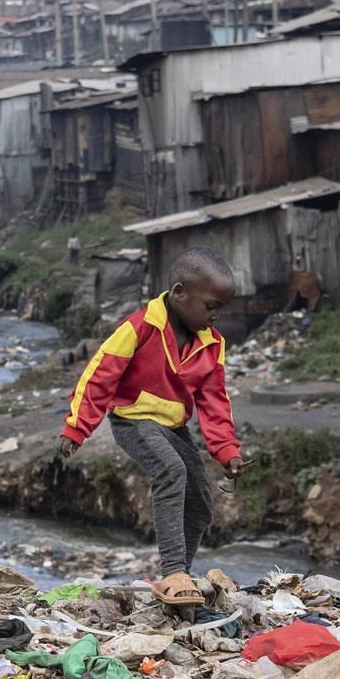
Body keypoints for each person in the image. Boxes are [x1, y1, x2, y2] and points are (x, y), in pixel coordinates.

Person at [58, 247, 243, 608]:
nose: (216, 316)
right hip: (133, 418)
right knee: (171, 471)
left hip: (174, 426)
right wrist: (77, 428)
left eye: (222, 308)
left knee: (202, 503)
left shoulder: (211, 343)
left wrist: (227, 450)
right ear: (179, 293)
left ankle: (179, 580)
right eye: (210, 306)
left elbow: (214, 400)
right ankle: (173, 570)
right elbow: (100, 375)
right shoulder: (139, 327)